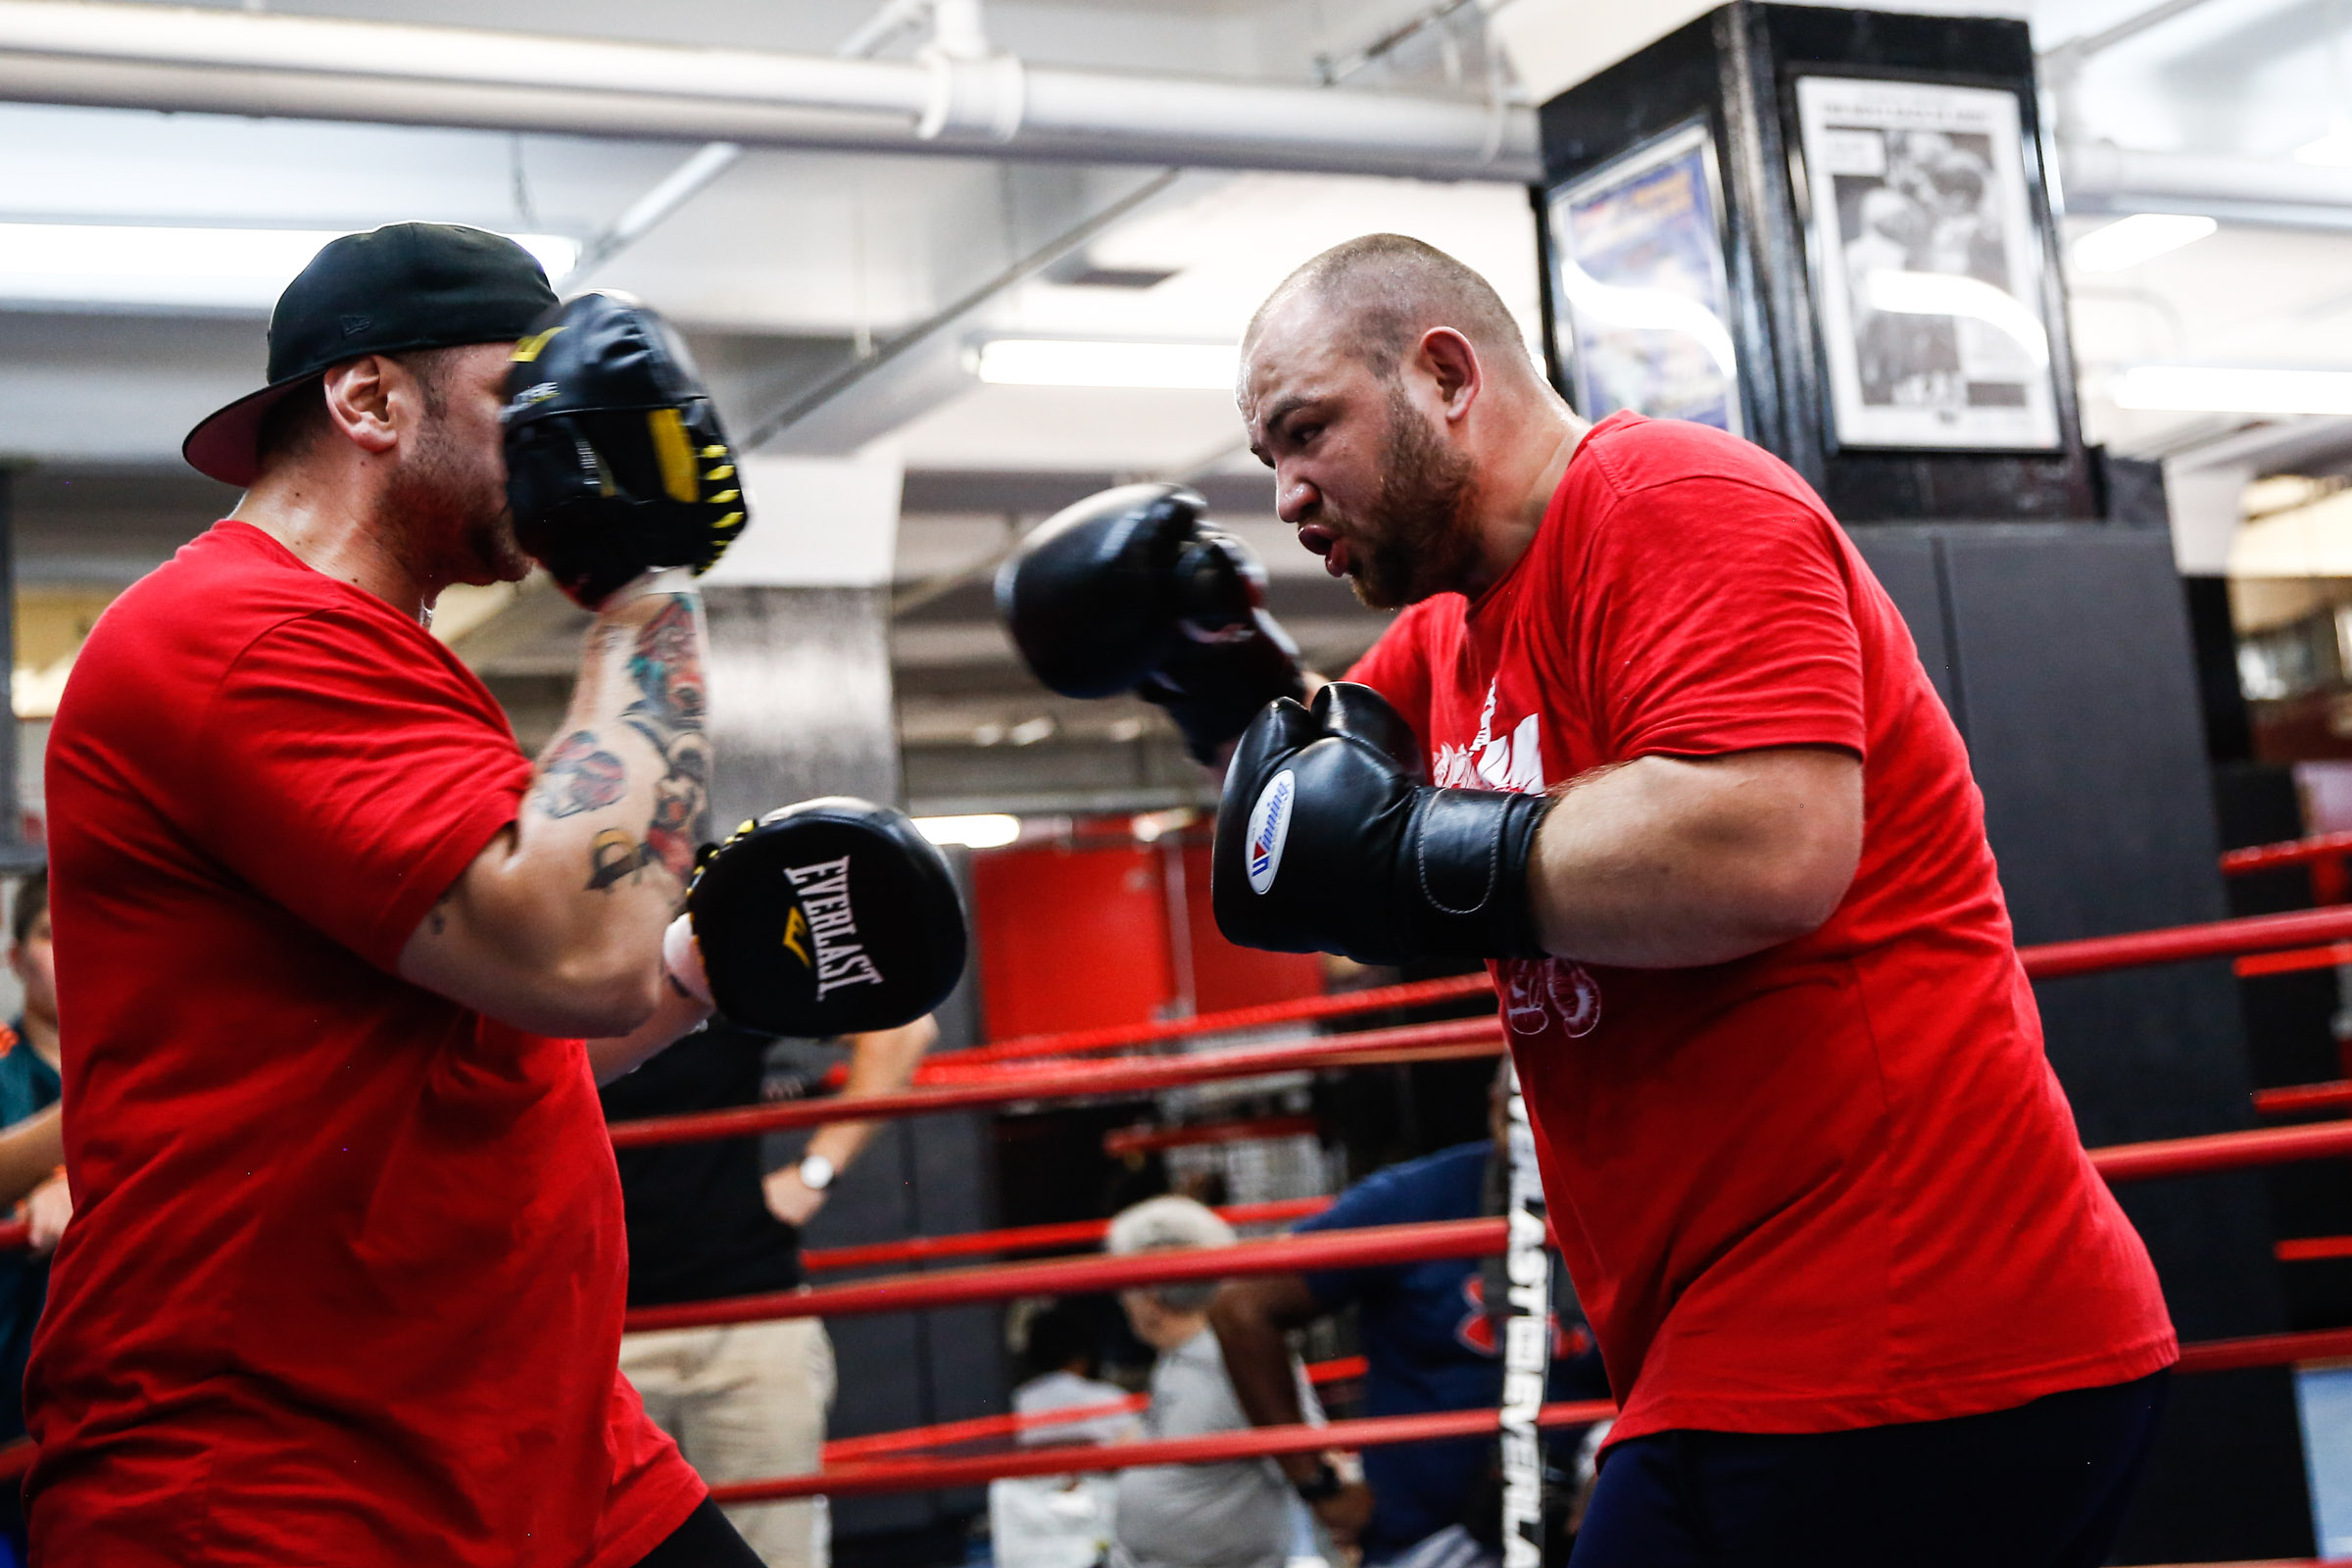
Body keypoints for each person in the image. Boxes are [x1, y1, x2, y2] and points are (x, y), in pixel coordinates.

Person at [999, 233, 2177, 1568]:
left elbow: (1770, 845)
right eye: (1268, 458)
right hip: (1746, 1339)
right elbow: (1308, 827)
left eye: (1306, 430)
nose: (1286, 492)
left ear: (1445, 374)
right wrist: (1206, 675)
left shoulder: (1674, 500)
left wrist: (1410, 857)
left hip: (1909, 1314)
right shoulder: (1449, 636)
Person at [26, 226, 962, 1568]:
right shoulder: (236, 637)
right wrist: (645, 596)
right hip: (287, 1480)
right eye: (521, 400)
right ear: (369, 402)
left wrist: (704, 969)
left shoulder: (379, 654)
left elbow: (500, 1032)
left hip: (535, 1439)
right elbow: (574, 952)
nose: (563, 442)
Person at [1210, 1067, 1607, 1568]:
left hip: (1592, 1525)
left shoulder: (1630, 1200)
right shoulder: (1416, 1198)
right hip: (1428, 1534)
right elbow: (1243, 1307)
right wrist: (1318, 1484)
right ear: (1494, 1109)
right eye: (1522, 1109)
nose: (1538, 1130)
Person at [605, 1012, 940, 1567]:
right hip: (596, 1340)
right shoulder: (540, 977)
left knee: (775, 1556)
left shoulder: (709, 960)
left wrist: (815, 1173)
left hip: (747, 1324)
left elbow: (904, 1027)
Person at [1105, 1197, 1324, 1568]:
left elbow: (1314, 1460)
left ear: (1149, 1296)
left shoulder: (1239, 1359)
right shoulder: (1183, 1353)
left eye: (1125, 1285)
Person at [988, 1300, 1141, 1568]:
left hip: (1045, 1525)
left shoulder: (1014, 1403)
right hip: (1091, 1517)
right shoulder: (1108, 1399)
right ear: (1082, 1357)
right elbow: (1140, 1446)